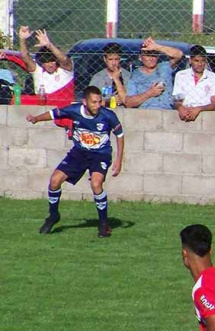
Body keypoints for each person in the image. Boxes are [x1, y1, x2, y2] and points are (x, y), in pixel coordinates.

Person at [27, 86, 125, 238]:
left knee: (96, 184)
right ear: (84, 102)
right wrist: (36, 118)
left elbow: (120, 135)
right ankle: (53, 215)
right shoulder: (75, 110)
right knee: (54, 181)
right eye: (94, 102)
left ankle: (104, 224)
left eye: (99, 102)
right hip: (79, 153)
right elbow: (54, 113)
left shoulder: (108, 115)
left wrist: (119, 160)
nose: (98, 105)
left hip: (100, 154)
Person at [18, 26, 74, 105]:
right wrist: (22, 39)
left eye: (53, 61)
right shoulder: (38, 71)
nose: (50, 65)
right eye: (47, 62)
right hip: (42, 109)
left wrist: (50, 45)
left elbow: (64, 60)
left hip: (63, 111)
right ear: (42, 63)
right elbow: (25, 57)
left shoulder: (65, 71)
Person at [125, 37, 184, 110]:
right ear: (140, 57)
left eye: (154, 54)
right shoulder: (135, 75)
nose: (151, 58)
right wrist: (150, 93)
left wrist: (157, 47)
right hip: (145, 113)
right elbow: (128, 103)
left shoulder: (165, 67)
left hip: (167, 112)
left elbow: (179, 54)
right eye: (147, 55)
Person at [173, 45, 215, 122]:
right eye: (196, 61)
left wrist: (198, 109)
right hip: (185, 113)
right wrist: (180, 108)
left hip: (205, 116)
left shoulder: (213, 77)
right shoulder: (181, 75)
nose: (200, 64)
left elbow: (214, 104)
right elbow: (177, 100)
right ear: (190, 61)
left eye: (203, 61)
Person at [88, 42, 131, 108]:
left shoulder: (128, 76)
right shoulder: (98, 78)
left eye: (116, 59)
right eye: (110, 59)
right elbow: (90, 101)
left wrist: (116, 79)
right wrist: (109, 101)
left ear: (120, 59)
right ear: (105, 59)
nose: (113, 63)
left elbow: (131, 100)